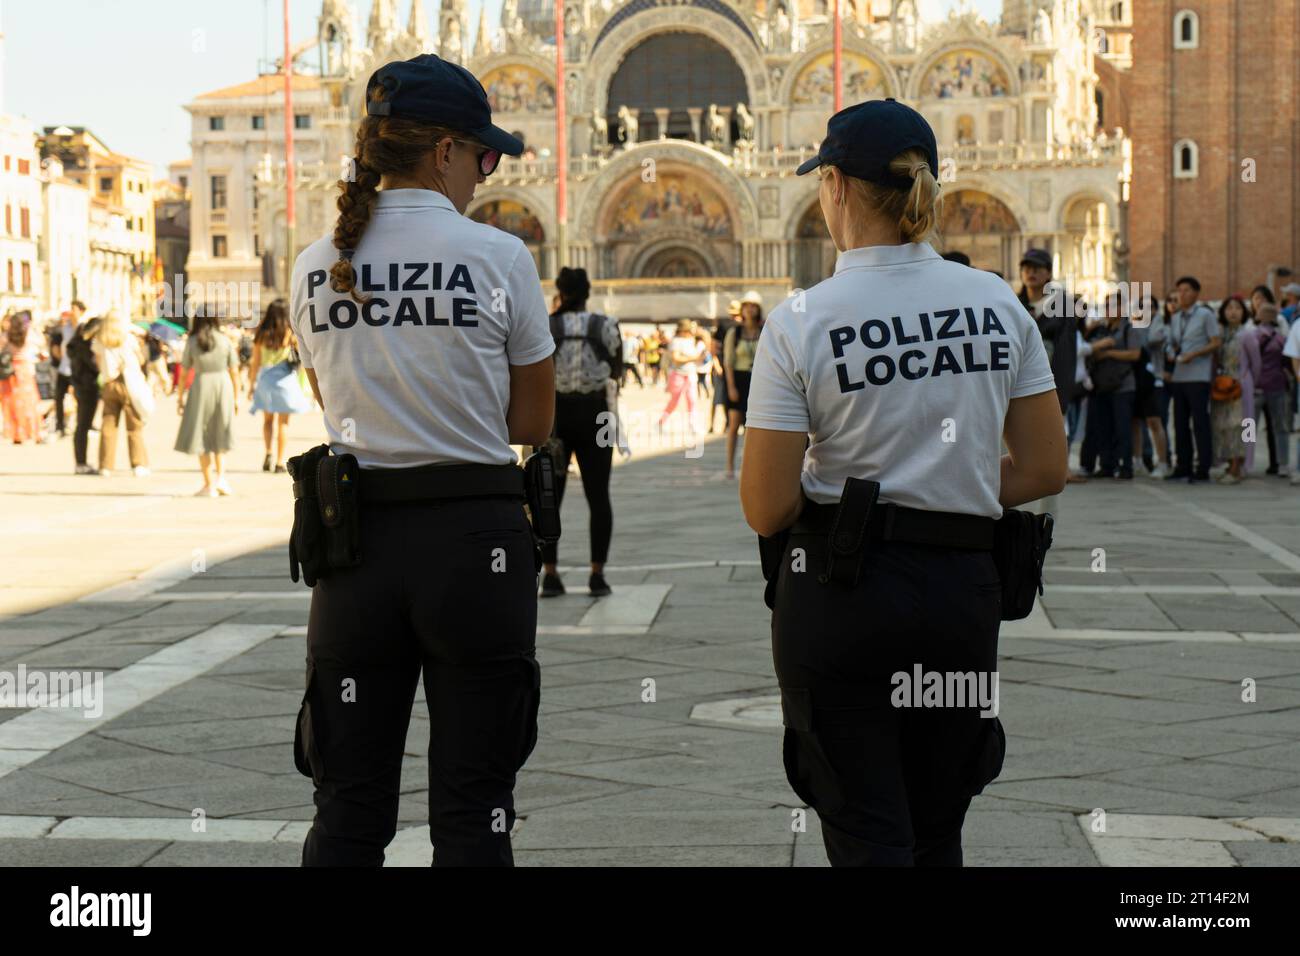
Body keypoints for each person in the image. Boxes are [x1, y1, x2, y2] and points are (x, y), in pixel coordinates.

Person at [741, 99, 1066, 867]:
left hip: (841, 595)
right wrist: (951, 484)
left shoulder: (802, 320)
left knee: (865, 831)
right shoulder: (996, 302)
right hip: (960, 592)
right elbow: (1047, 467)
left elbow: (768, 505)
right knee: (937, 827)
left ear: (837, 188)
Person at [287, 54, 555, 866]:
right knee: (476, 808)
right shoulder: (500, 257)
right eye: (485, 154)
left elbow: (329, 397)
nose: (487, 172)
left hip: (354, 546)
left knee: (348, 807)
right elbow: (532, 420)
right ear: (444, 150)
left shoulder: (310, 266)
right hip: (477, 544)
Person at [539, 265, 620, 598]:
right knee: (598, 496)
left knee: (548, 497)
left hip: (555, 417)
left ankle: (551, 575)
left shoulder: (547, 325)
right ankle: (597, 575)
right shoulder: (606, 326)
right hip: (596, 415)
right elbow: (617, 370)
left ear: (560, 292)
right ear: (587, 293)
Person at [1150, 276, 1220, 482]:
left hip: (1198, 376)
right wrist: (1171, 351)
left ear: (1197, 293)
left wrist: (1194, 354)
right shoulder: (1176, 317)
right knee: (1179, 423)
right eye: (1179, 290)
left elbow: (1215, 342)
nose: (1182, 294)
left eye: (1187, 290)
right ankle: (1183, 465)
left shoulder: (1206, 314)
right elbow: (1170, 341)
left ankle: (1203, 467)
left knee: (1200, 422)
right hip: (1179, 376)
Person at [174, 314, 239, 496]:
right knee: (220, 432)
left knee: (201, 434)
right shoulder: (224, 340)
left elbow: (184, 371)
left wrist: (180, 398)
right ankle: (221, 479)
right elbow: (234, 370)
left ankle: (208, 484)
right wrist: (237, 396)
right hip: (222, 385)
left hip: (201, 386)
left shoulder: (192, 341)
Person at [248, 299, 312, 472]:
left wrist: (251, 384)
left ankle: (268, 452)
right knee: (283, 424)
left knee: (267, 421)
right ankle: (279, 461)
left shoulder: (261, 334)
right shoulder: (289, 334)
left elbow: (255, 362)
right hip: (285, 381)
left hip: (265, 381)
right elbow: (302, 356)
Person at [1087, 293, 1145, 479]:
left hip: (1123, 385)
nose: (1109, 310)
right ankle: (1107, 465)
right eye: (1107, 306)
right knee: (1104, 427)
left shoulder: (1129, 328)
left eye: (1114, 306)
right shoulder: (1101, 330)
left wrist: (1109, 353)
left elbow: (1135, 355)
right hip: (1102, 385)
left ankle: (1125, 466)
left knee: (1122, 428)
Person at [91, 310, 151, 477]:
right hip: (128, 382)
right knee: (134, 426)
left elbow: (98, 362)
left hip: (109, 383)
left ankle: (105, 465)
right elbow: (140, 360)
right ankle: (138, 464)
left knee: (108, 425)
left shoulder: (99, 340)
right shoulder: (128, 338)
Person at [1211, 296, 1257, 483]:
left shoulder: (1248, 335)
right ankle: (1230, 463)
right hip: (1222, 386)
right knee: (1222, 425)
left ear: (1244, 312)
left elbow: (1256, 363)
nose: (1233, 312)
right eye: (1229, 308)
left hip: (1242, 385)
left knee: (1244, 426)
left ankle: (1241, 465)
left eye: (1237, 308)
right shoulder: (1220, 334)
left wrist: (1250, 381)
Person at [723, 290, 764, 479]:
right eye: (746, 306)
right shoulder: (734, 332)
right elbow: (728, 362)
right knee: (733, 425)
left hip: (757, 380)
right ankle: (730, 466)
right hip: (738, 380)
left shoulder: (765, 331)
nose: (750, 310)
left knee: (751, 427)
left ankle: (748, 466)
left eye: (753, 306)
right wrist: (730, 387)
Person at [1254, 303, 1290, 476]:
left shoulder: (1250, 336)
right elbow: (1287, 363)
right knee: (1279, 427)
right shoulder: (1281, 339)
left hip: (1255, 387)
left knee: (1248, 426)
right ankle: (1282, 463)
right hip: (1276, 386)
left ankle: (1246, 461)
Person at [65, 316, 103, 474]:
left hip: (80, 386)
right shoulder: (84, 347)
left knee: (82, 425)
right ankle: (81, 463)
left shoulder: (75, 345)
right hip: (87, 387)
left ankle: (80, 461)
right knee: (83, 425)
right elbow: (94, 367)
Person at [0, 312, 43, 444]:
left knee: (13, 402)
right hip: (26, 369)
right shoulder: (29, 334)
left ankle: (17, 432)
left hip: (12, 370)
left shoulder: (7, 335)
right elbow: (41, 343)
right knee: (30, 402)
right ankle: (33, 432)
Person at [658, 318, 704, 433]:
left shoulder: (691, 340)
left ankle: (692, 424)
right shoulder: (676, 341)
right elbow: (676, 359)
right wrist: (693, 358)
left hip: (690, 373)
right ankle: (661, 422)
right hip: (678, 374)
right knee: (675, 401)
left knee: (692, 400)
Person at [52, 301, 85, 437]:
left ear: (81, 311)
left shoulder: (83, 326)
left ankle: (81, 425)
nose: (72, 312)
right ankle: (60, 425)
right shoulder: (65, 327)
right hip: (64, 367)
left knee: (80, 398)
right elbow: (60, 345)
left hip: (77, 368)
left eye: (74, 309)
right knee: (58, 397)